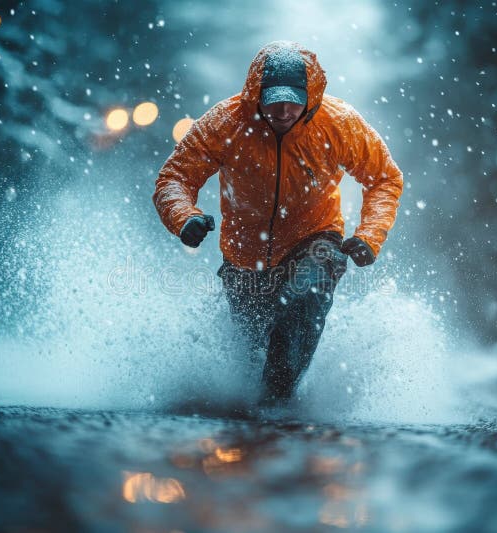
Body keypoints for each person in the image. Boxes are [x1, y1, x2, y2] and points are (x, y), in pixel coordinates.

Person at [153, 41, 404, 405]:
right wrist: (184, 217)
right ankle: (258, 411)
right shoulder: (225, 122)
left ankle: (278, 406)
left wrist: (369, 235)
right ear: (256, 94)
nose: (284, 110)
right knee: (252, 350)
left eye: (294, 99)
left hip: (315, 237)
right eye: (274, 98)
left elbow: (384, 178)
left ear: (312, 95)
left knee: (305, 297)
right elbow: (174, 178)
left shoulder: (339, 123)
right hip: (244, 257)